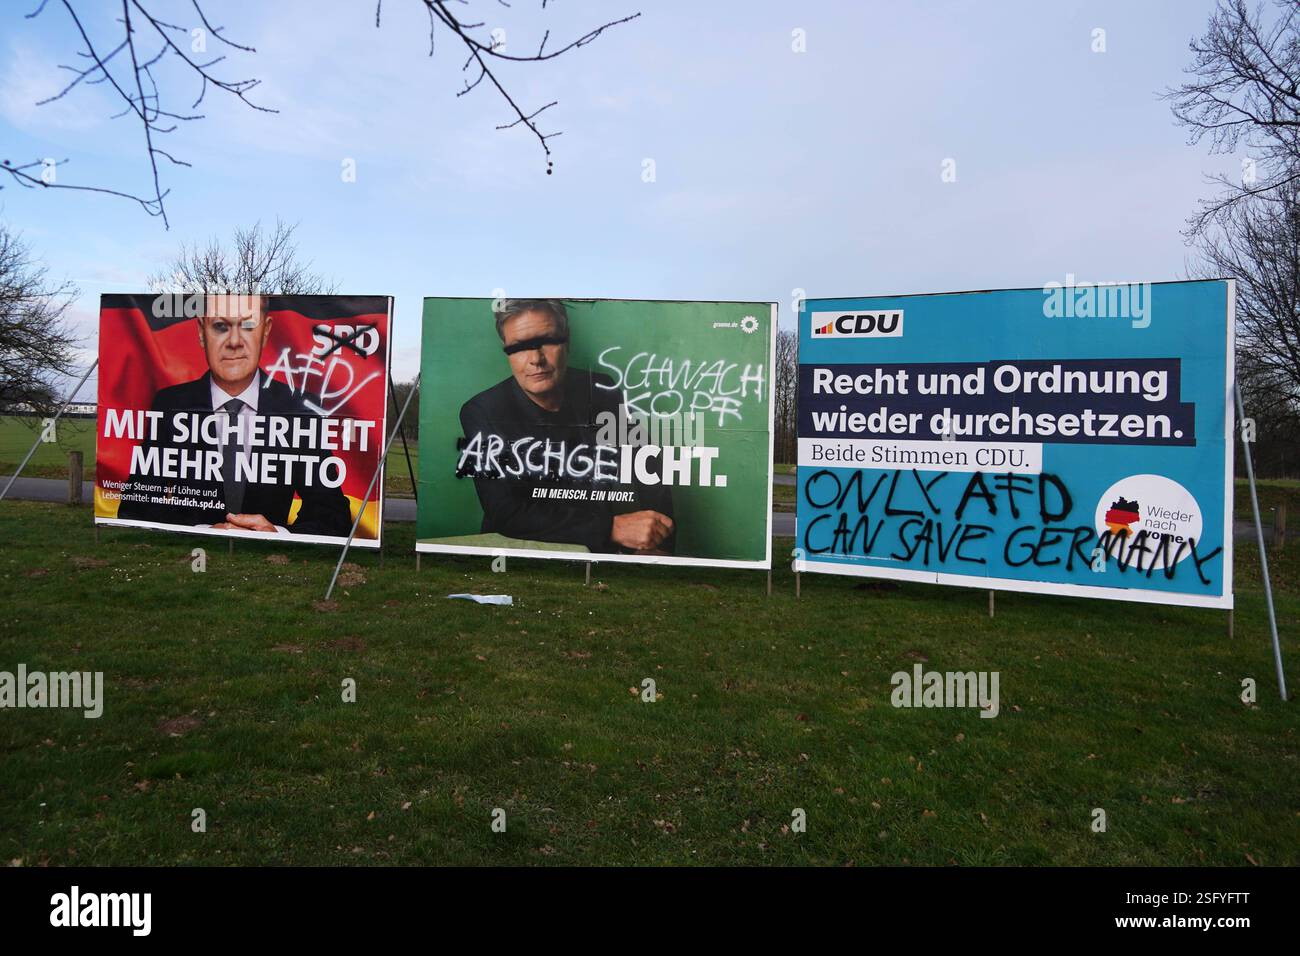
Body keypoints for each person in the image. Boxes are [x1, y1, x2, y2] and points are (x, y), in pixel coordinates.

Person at [117, 293, 352, 537]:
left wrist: (277, 534)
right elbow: (134, 508)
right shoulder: (170, 404)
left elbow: (334, 516)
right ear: (201, 331)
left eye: (248, 325)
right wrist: (201, 530)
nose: (235, 341)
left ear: (266, 331)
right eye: (220, 326)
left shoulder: (301, 410)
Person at [457, 299, 675, 553]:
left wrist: (660, 541)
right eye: (519, 347)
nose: (536, 359)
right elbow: (506, 512)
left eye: (547, 341)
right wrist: (610, 528)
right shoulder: (482, 411)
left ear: (566, 341)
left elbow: (648, 464)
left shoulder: (602, 390)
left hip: (598, 556)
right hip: (518, 555)